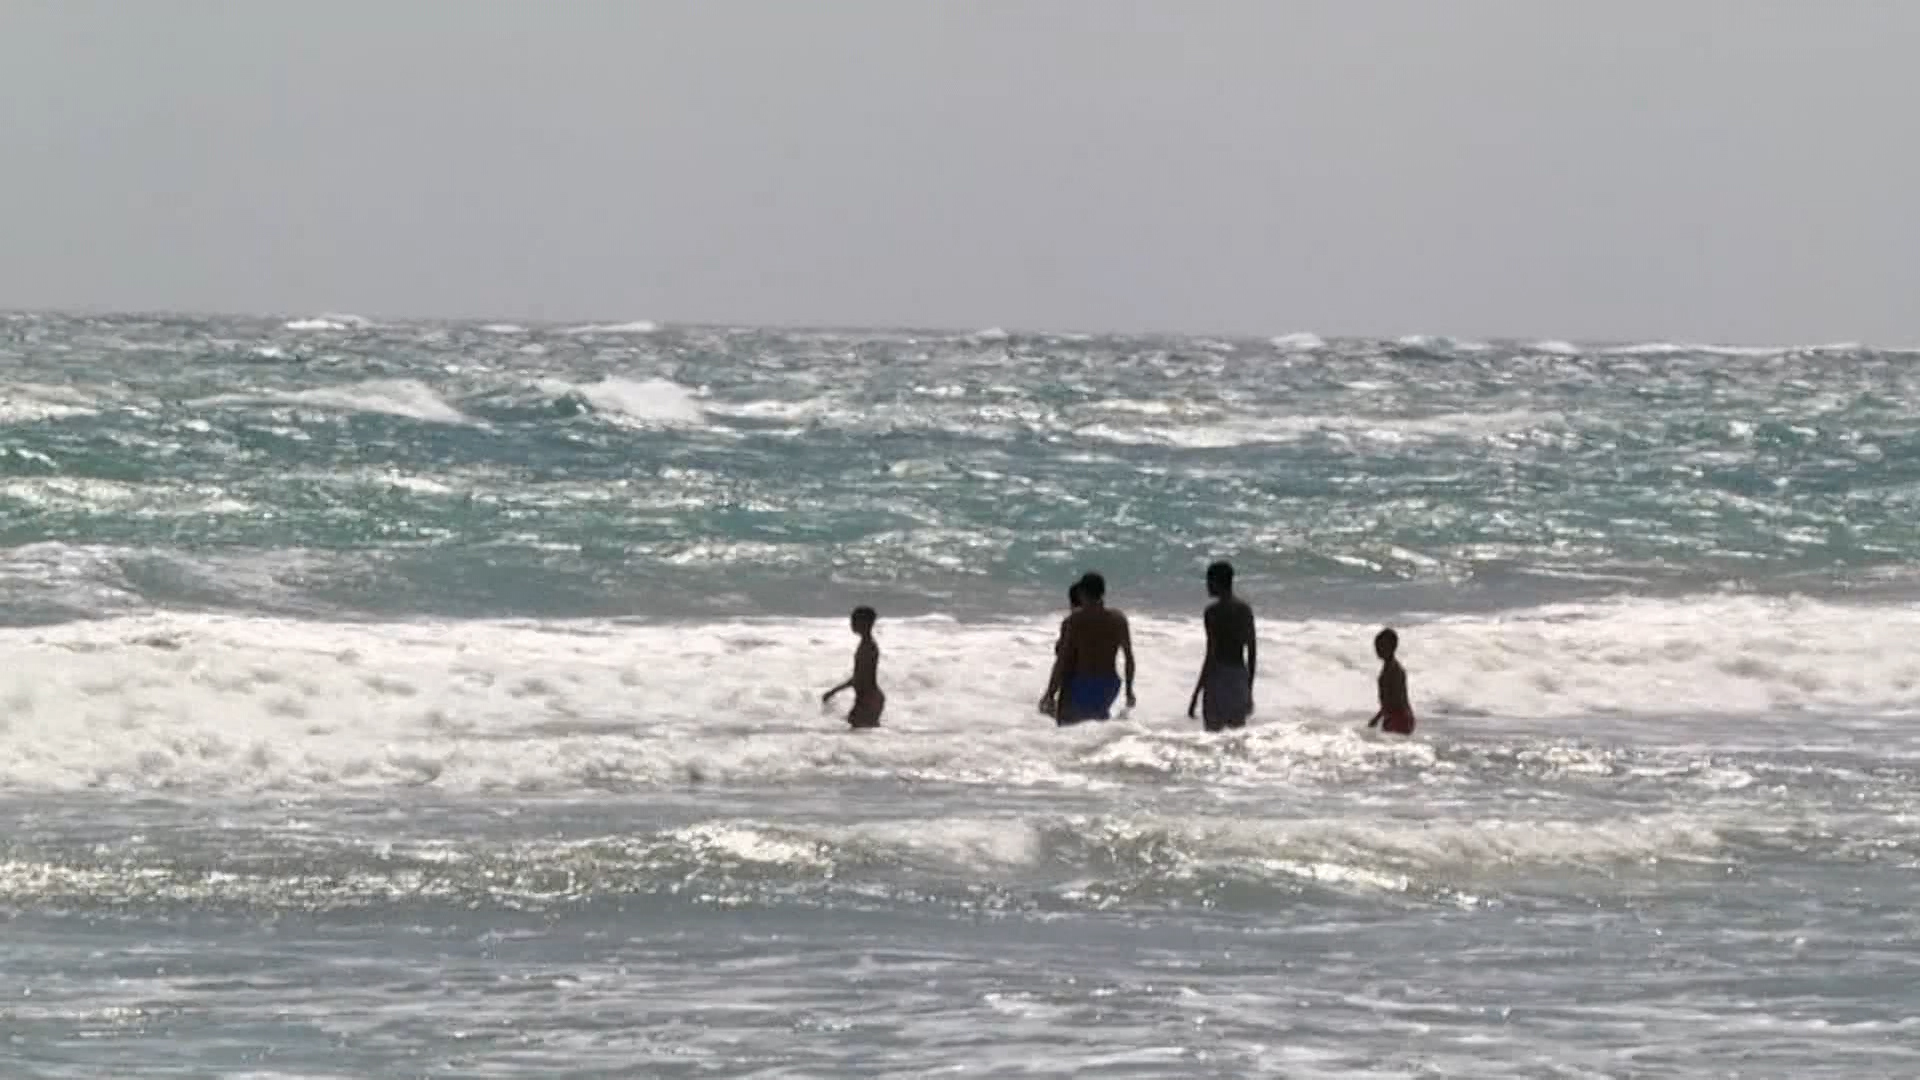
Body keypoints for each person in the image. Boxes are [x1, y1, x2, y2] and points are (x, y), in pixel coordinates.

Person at [1047, 572, 1136, 723]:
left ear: (1082, 592)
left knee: (1068, 729)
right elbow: (1129, 657)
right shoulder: (1119, 619)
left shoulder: (1075, 620)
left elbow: (1063, 660)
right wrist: (1128, 690)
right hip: (1109, 683)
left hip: (1082, 683)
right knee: (1097, 728)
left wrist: (1049, 694)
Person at [1186, 561, 1256, 732]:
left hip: (1217, 677)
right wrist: (1249, 688)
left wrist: (1196, 694)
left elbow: (1211, 654)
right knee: (1236, 737)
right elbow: (1252, 651)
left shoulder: (1212, 612)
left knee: (1212, 735)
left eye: (1209, 581)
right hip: (1238, 675)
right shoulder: (1244, 610)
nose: (1207, 586)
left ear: (1217, 582)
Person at [822, 606, 885, 729]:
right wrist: (835, 691)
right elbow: (859, 676)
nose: (852, 624)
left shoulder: (868, 646)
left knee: (861, 732)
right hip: (868, 697)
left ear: (865, 623)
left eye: (855, 620)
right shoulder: (866, 644)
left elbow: (861, 677)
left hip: (869, 698)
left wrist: (834, 691)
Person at [1038, 582, 1085, 721]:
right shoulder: (1109, 622)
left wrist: (1050, 694)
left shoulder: (1072, 623)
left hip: (1075, 687)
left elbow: (1063, 662)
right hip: (1106, 684)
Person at [1366, 627, 1415, 735]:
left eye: (1381, 646)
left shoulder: (1393, 670)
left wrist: (1378, 718)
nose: (1377, 649)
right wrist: (1379, 717)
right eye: (1376, 646)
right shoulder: (1389, 667)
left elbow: (1395, 700)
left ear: (1392, 647)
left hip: (1399, 718)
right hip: (1396, 716)